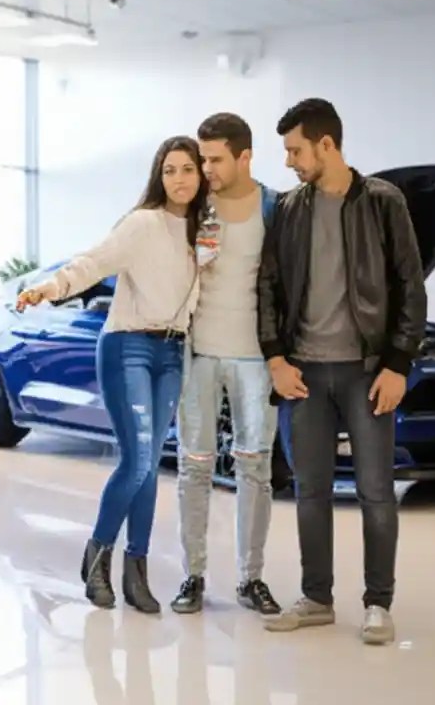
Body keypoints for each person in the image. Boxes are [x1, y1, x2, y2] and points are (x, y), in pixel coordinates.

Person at [16, 135, 209, 614]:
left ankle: (135, 573)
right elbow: (93, 262)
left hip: (173, 352)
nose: (179, 179)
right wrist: (49, 288)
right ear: (158, 177)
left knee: (147, 467)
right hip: (129, 346)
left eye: (188, 169)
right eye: (170, 170)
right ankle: (97, 554)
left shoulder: (205, 234)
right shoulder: (142, 224)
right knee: (137, 462)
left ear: (201, 175)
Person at [257, 98, 426, 645]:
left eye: (295, 149)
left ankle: (378, 603)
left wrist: (398, 363)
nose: (289, 161)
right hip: (304, 372)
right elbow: (269, 287)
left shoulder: (382, 202)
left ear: (326, 145)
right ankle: (316, 597)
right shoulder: (288, 208)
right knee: (311, 490)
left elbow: (409, 286)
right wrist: (276, 359)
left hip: (365, 371)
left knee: (377, 491)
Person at [169, 113, 282, 617]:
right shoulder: (193, 204)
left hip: (257, 356)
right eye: (202, 157)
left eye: (215, 159)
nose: (205, 168)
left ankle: (249, 578)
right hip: (199, 353)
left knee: (255, 468)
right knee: (193, 467)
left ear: (244, 156)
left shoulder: (277, 208)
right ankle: (192, 573)